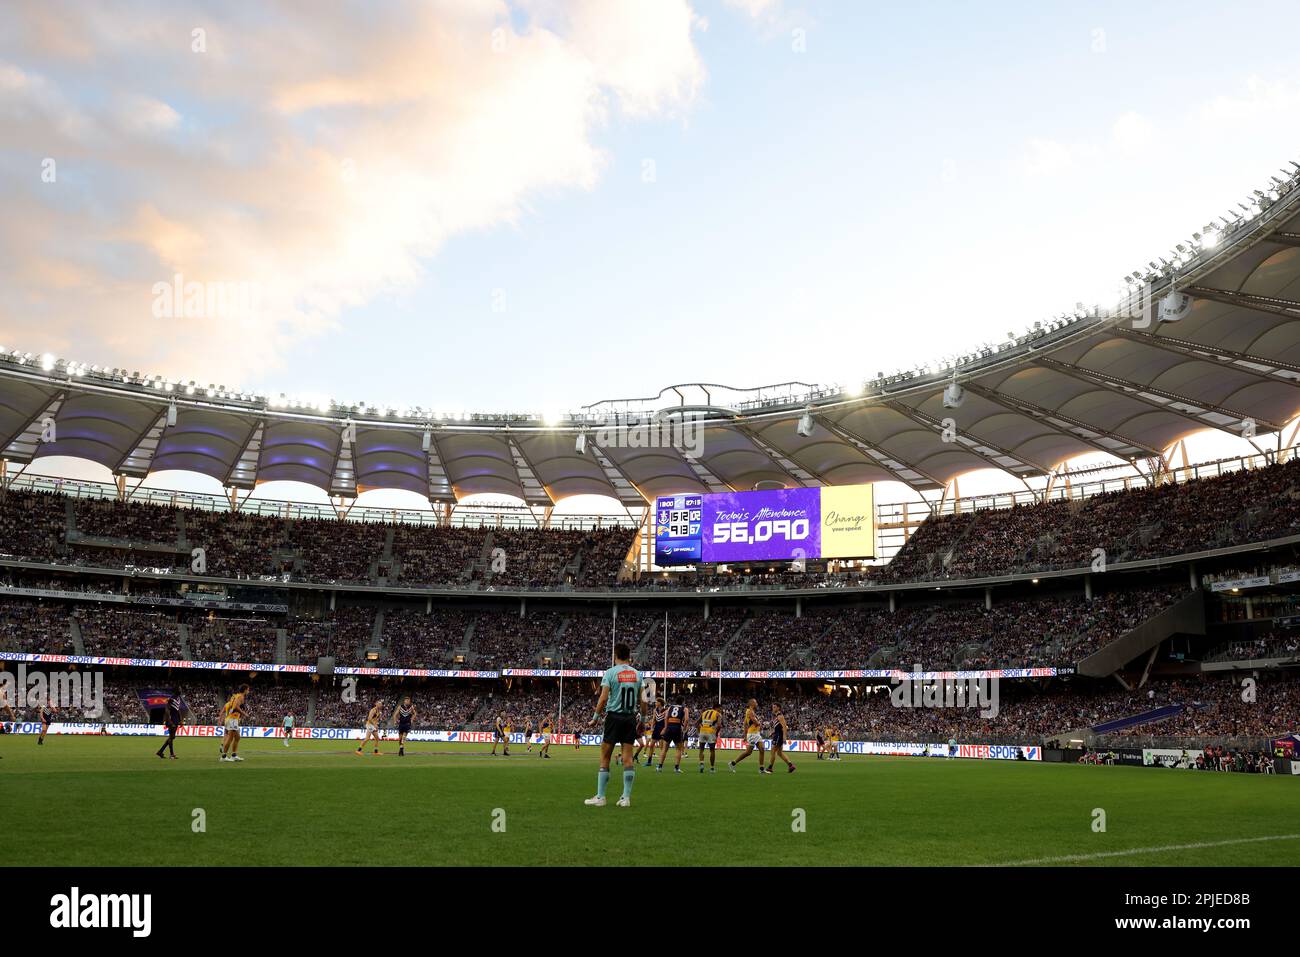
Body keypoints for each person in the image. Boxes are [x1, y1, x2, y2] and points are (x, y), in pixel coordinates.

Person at [583, 642, 645, 808]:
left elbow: (603, 698)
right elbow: (644, 700)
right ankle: (625, 798)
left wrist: (595, 717)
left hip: (614, 717)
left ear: (615, 655)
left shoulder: (610, 673)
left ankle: (601, 797)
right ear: (629, 656)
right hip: (630, 718)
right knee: (628, 758)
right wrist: (643, 720)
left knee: (605, 757)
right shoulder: (638, 675)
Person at [729, 698, 765, 773]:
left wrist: (745, 736)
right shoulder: (750, 711)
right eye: (756, 702)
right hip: (753, 734)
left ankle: (761, 769)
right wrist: (759, 723)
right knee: (749, 752)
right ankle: (733, 763)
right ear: (752, 704)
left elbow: (745, 724)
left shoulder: (748, 712)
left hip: (754, 733)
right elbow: (754, 720)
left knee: (761, 750)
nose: (757, 704)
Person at [657, 700, 689, 773]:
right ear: (683, 702)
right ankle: (676, 768)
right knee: (678, 749)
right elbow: (686, 719)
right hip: (677, 728)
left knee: (664, 749)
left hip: (669, 727)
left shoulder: (670, 707)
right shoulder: (685, 708)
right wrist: (684, 729)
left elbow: (665, 718)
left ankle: (659, 767)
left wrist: (665, 728)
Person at [219, 685, 249, 762]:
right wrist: (244, 713)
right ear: (245, 690)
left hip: (232, 718)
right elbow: (236, 707)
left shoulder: (236, 696)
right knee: (230, 738)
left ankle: (233, 755)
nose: (248, 691)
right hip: (232, 719)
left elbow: (233, 706)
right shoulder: (241, 696)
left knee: (237, 737)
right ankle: (224, 756)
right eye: (248, 690)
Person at [765, 702, 795, 774]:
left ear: (778, 708)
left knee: (773, 751)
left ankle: (770, 768)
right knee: (779, 753)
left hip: (779, 736)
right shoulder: (777, 716)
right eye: (773, 707)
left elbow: (784, 726)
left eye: (774, 707)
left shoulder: (780, 716)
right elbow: (779, 727)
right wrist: (772, 732)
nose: (773, 708)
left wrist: (784, 737)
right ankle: (791, 766)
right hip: (777, 735)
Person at [156, 693, 184, 760]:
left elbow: (177, 712)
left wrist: (180, 720)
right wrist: (170, 722)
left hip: (174, 721)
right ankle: (171, 754)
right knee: (171, 738)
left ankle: (160, 752)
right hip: (172, 722)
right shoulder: (169, 706)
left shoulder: (173, 706)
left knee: (171, 737)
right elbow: (167, 713)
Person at [696, 703, 722, 773]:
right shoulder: (718, 714)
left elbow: (696, 723)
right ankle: (712, 768)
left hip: (702, 731)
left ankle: (701, 763)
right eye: (720, 708)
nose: (720, 710)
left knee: (701, 750)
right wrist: (716, 734)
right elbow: (719, 725)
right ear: (717, 708)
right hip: (711, 732)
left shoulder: (704, 712)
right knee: (712, 750)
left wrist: (699, 732)